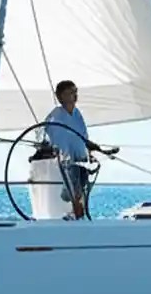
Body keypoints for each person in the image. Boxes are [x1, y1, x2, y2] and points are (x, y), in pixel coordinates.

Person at [44, 80, 119, 219]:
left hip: (81, 159)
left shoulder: (77, 114)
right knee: (75, 191)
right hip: (66, 161)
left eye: (75, 92)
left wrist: (94, 148)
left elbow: (82, 137)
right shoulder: (55, 115)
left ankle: (76, 212)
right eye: (70, 93)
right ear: (60, 97)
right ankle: (74, 212)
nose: (74, 95)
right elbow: (47, 133)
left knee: (81, 188)